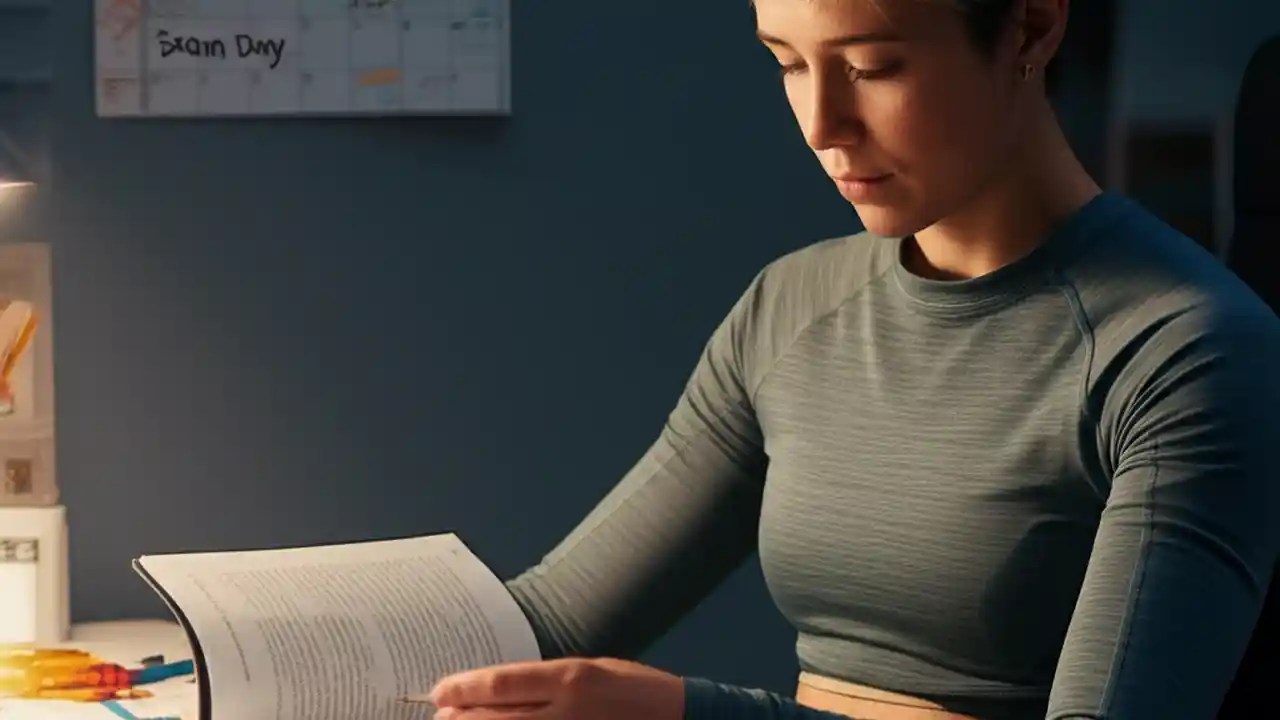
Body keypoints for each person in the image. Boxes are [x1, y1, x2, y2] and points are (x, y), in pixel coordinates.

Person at [428, 0, 1280, 718]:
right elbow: (548, 620)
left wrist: (690, 712)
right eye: (787, 62)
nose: (819, 124)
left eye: (870, 67)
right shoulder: (793, 306)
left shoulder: (1186, 351)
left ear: (1030, 28)